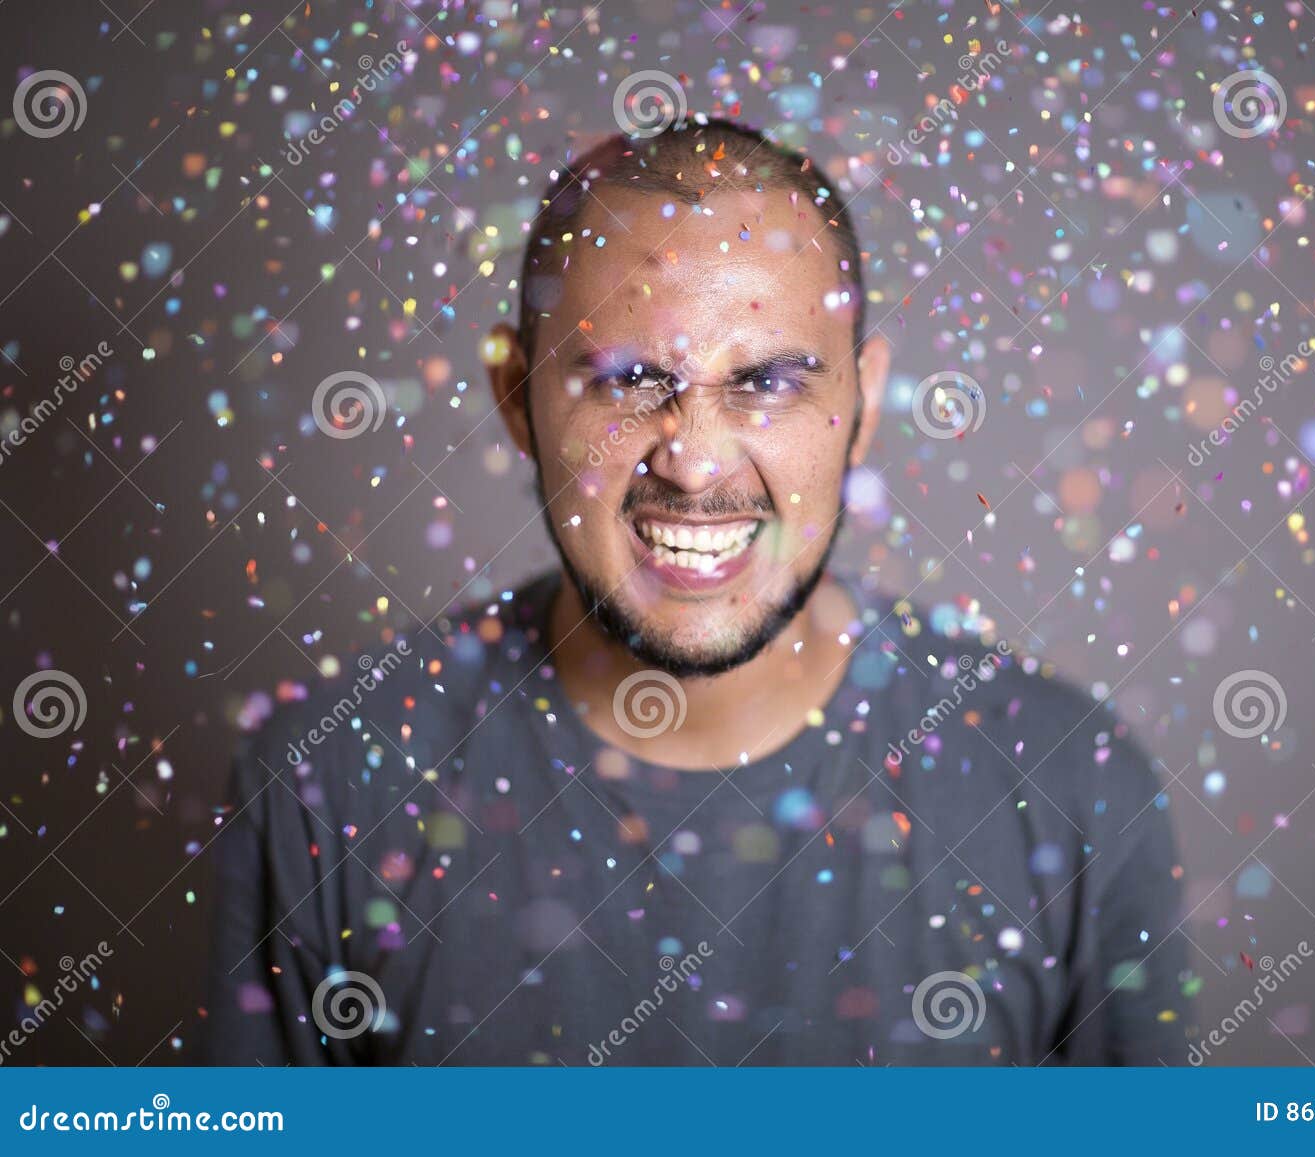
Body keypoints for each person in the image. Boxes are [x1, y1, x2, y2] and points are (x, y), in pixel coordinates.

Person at [205, 116, 1190, 1065]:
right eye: (628, 379)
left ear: (861, 404)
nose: (694, 462)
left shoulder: (1068, 786)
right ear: (516, 399)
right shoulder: (329, 784)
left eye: (767, 382)